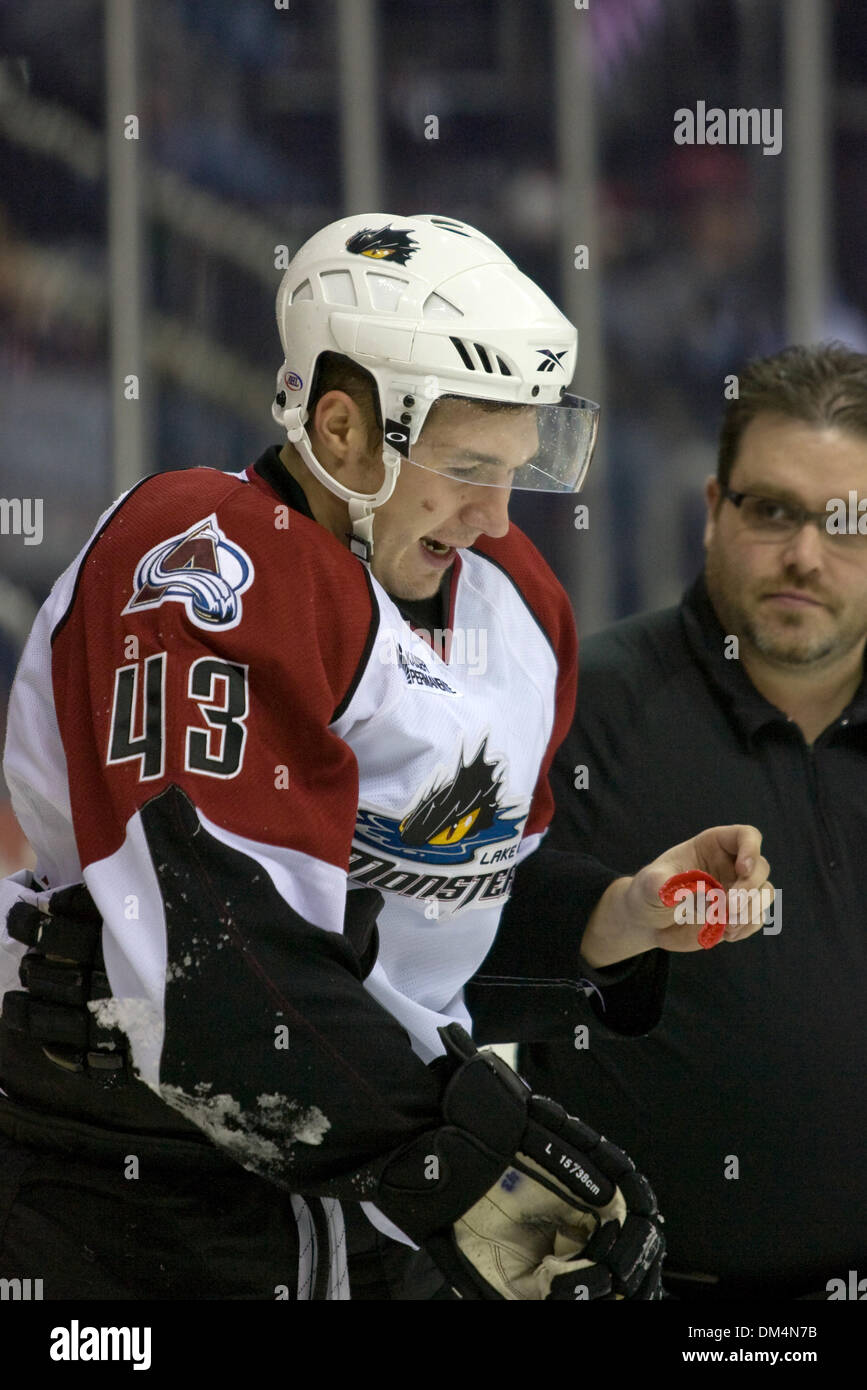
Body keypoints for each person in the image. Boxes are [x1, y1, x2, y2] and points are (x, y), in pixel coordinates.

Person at [0, 213, 769, 1301]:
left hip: (364, 1212)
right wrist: (471, 1164)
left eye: (515, 468)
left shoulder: (518, 612)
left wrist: (613, 918)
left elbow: (416, 949)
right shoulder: (199, 557)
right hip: (126, 1206)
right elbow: (215, 966)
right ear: (343, 428)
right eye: (464, 468)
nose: (499, 516)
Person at [520, 342, 867, 1300]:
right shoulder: (577, 708)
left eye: (848, 524)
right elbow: (461, 959)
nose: (804, 554)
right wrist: (613, 917)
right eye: (772, 511)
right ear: (714, 512)